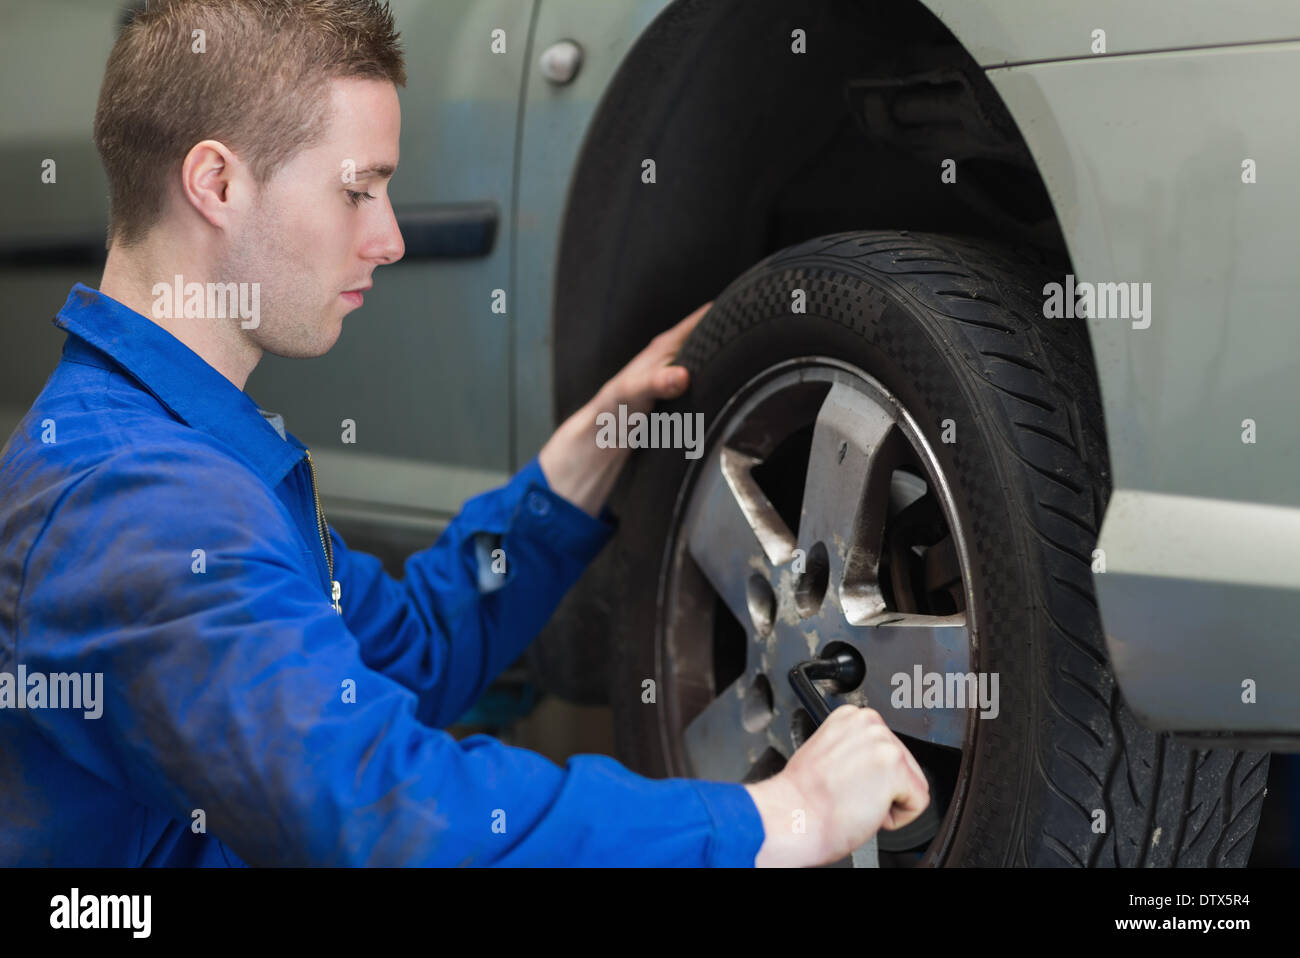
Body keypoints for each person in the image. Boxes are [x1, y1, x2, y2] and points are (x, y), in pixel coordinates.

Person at [0, 0, 927, 867]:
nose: (391, 238)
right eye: (358, 190)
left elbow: (406, 653)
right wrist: (778, 820)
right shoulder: (137, 502)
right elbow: (385, 812)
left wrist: (573, 472)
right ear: (216, 183)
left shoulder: (188, 446)